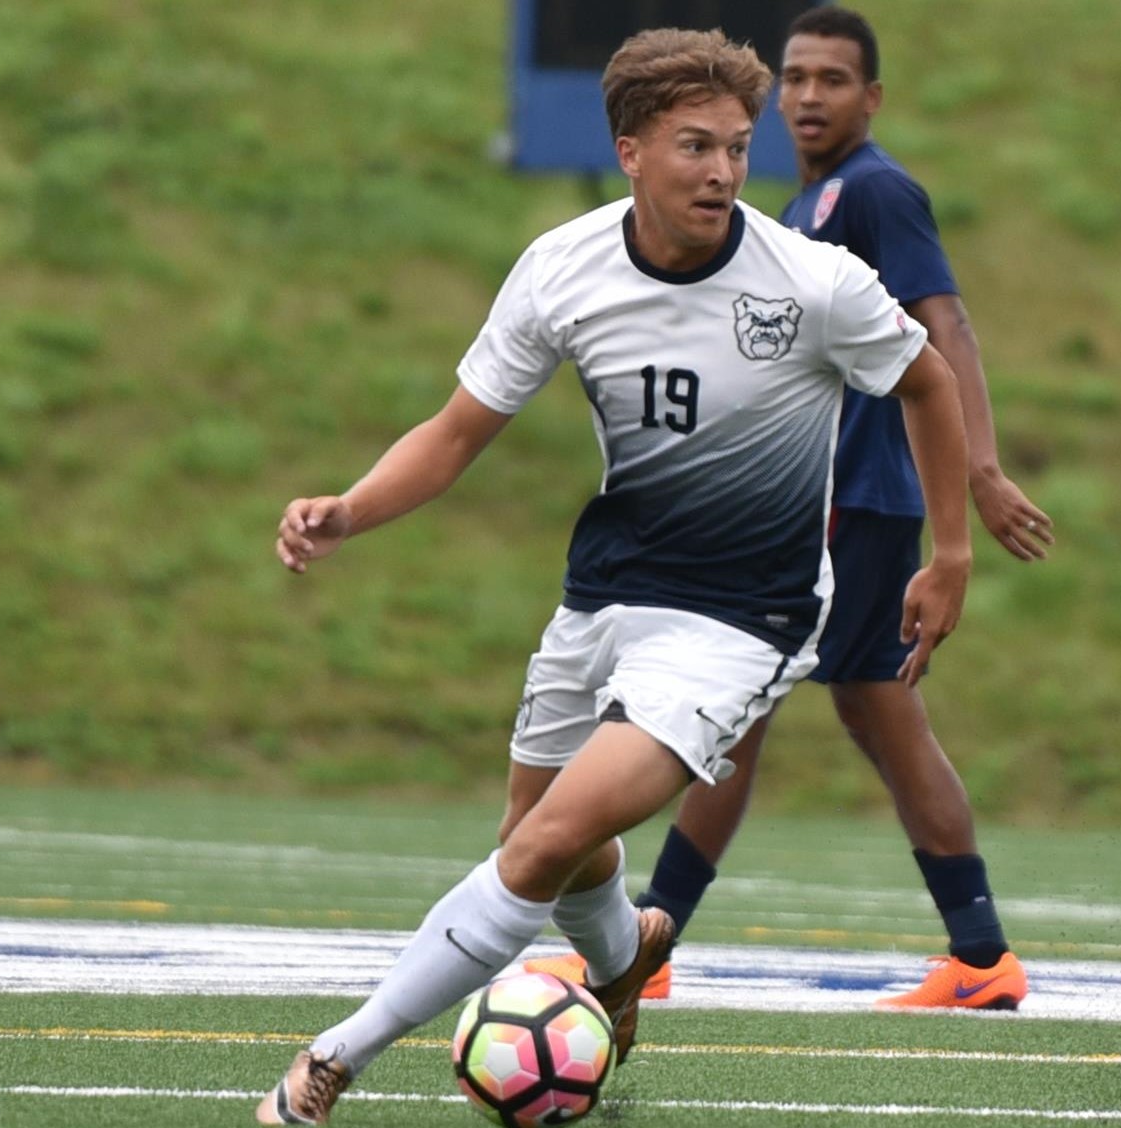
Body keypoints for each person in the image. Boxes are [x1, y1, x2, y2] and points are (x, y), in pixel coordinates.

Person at [255, 27, 974, 1124]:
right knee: (539, 830)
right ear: (629, 150)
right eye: (695, 146)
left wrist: (951, 551)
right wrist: (349, 509)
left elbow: (927, 383)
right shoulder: (562, 267)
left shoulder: (809, 281)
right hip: (605, 597)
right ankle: (624, 956)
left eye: (737, 146)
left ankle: (329, 1065)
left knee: (541, 848)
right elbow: (454, 434)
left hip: (748, 617)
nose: (724, 172)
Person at [528, 5, 1048, 1012]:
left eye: (831, 80)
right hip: (827, 504)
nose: (808, 97)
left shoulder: (876, 191)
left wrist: (978, 472)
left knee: (818, 710)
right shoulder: (808, 203)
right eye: (796, 79)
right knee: (797, 713)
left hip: (854, 502)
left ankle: (973, 957)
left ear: (871, 98)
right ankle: (965, 953)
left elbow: (941, 328)